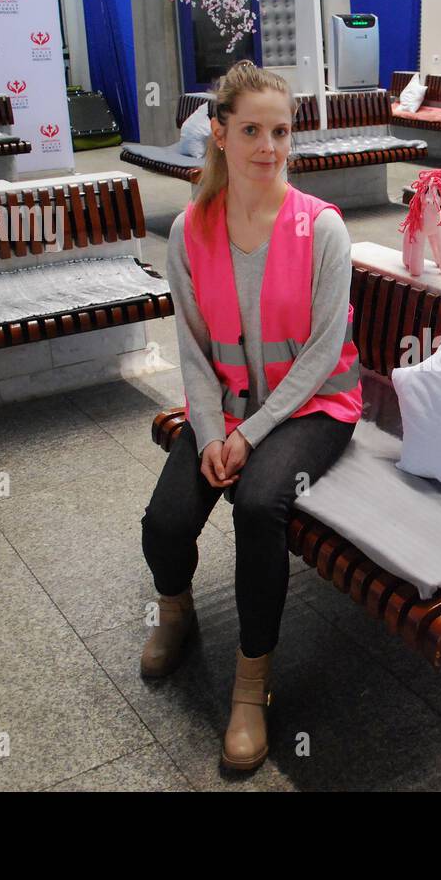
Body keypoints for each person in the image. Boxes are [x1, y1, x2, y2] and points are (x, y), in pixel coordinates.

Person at [139, 61, 361, 772]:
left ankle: (249, 684)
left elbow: (325, 350)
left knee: (260, 504)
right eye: (252, 130)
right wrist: (211, 434)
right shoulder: (190, 232)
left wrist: (251, 436)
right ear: (220, 134)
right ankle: (176, 612)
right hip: (227, 411)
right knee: (166, 522)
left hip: (315, 406)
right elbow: (195, 354)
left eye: (281, 132)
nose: (269, 147)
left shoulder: (320, 229)